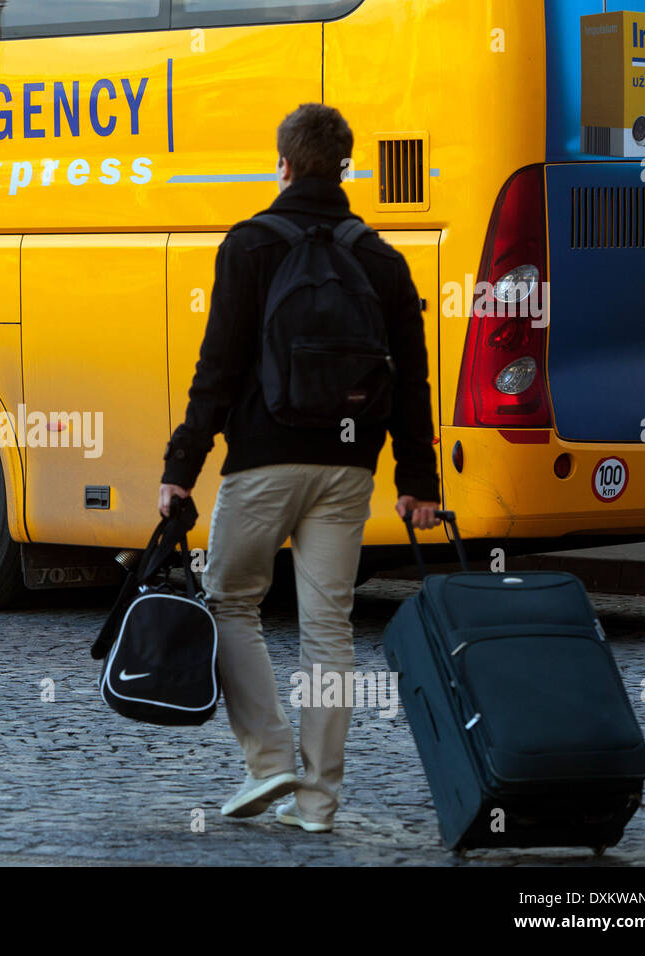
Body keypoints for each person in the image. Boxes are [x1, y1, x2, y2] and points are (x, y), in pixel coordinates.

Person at [158, 103, 441, 832]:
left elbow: (216, 368)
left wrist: (182, 466)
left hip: (263, 461)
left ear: (282, 162)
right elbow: (412, 381)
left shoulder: (250, 245)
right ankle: (317, 802)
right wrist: (419, 485)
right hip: (348, 471)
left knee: (230, 601)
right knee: (329, 629)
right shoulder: (381, 259)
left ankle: (268, 760)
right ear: (343, 165)